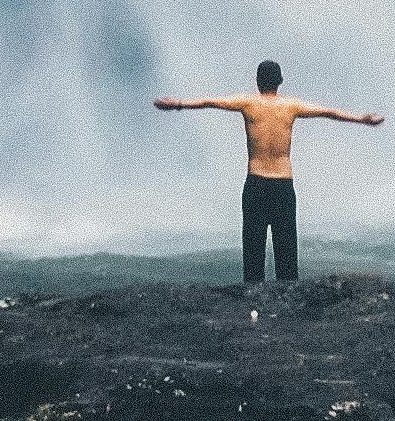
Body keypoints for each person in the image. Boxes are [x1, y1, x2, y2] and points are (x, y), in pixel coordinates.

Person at [153, 59, 383, 285]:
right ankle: (289, 297)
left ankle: (253, 297)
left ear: (257, 81)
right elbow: (327, 112)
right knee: (286, 248)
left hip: (256, 182)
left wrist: (179, 104)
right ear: (280, 81)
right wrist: (362, 119)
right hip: (283, 183)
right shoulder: (291, 106)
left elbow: (210, 102)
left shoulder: (248, 103)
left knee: (253, 246)